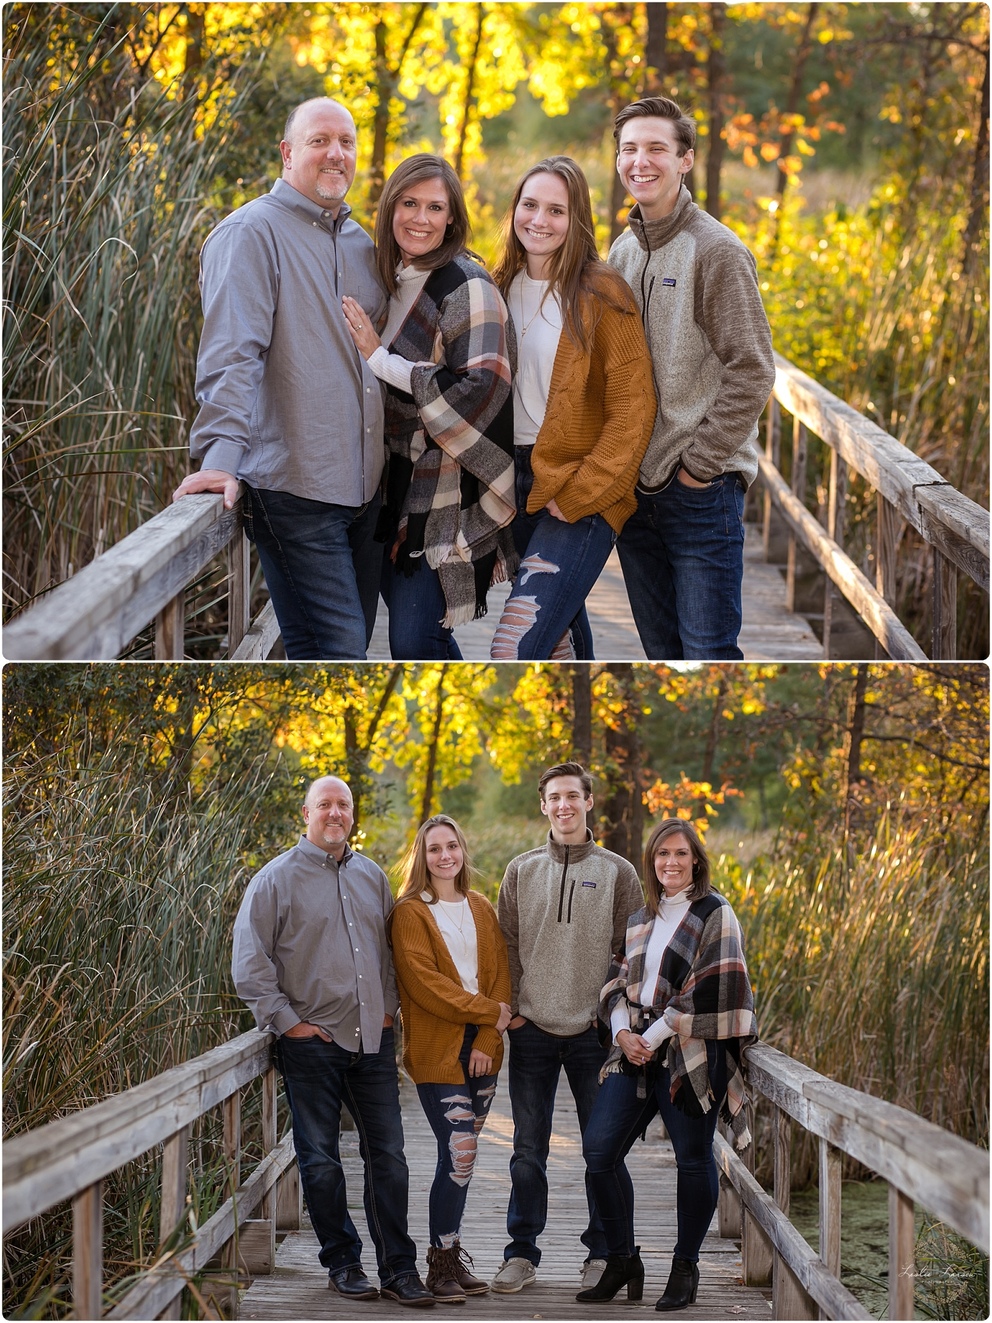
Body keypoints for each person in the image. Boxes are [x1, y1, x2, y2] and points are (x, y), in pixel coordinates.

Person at [174, 97, 387, 661]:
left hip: (366, 494)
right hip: (295, 489)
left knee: (333, 652)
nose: (335, 154)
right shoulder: (249, 233)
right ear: (289, 153)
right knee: (340, 654)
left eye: (346, 142)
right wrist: (219, 457)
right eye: (320, 141)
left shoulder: (362, 245)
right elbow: (232, 354)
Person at [231, 776, 435, 1308]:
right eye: (325, 804)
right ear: (306, 813)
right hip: (311, 1044)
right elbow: (250, 964)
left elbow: (389, 955)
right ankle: (342, 1262)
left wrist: (389, 1011)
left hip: (374, 1042)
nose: (335, 813)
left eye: (343, 804)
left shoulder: (372, 877)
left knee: (389, 1156)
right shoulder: (274, 880)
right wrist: (287, 1022)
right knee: (320, 1159)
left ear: (352, 813)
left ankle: (399, 1269)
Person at [608, 96, 776, 660]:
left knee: (707, 654)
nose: (640, 161)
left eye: (657, 148)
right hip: (635, 495)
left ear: (685, 160)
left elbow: (752, 369)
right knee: (662, 652)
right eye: (629, 148)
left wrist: (698, 470)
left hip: (700, 494)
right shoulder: (624, 250)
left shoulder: (716, 251)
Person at [578, 818, 757, 1311]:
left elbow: (713, 988)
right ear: (651, 862)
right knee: (599, 1153)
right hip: (636, 1052)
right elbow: (617, 982)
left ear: (695, 859)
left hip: (691, 1058)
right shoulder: (642, 917)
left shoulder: (716, 913)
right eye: (661, 855)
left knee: (692, 1160)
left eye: (680, 854)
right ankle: (621, 1261)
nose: (670, 863)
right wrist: (622, 1033)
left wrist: (654, 1034)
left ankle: (685, 1267)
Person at [342, 153, 517, 660]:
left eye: (435, 207)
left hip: (444, 499)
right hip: (387, 493)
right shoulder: (386, 280)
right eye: (409, 203)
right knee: (414, 635)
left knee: (417, 638)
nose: (420, 218)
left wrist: (381, 359)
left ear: (452, 218)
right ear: (390, 208)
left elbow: (482, 389)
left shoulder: (467, 284)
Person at [489, 156, 656, 661]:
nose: (539, 220)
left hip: (578, 485)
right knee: (558, 638)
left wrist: (581, 491)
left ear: (575, 218)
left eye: (556, 210)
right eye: (530, 204)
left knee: (514, 648)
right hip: (512, 483)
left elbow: (634, 405)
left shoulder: (601, 292)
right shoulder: (493, 286)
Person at [492, 762, 644, 1295]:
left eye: (572, 797)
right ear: (543, 805)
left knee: (600, 1150)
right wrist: (510, 1007)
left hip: (593, 1034)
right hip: (531, 1027)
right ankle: (521, 1252)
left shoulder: (618, 872)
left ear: (588, 802)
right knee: (527, 1149)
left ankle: (602, 1253)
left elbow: (632, 955)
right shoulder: (521, 870)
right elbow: (505, 944)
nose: (563, 805)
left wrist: (613, 1017)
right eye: (554, 797)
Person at [389, 815, 513, 1302]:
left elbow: (500, 974)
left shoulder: (481, 907)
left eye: (452, 846)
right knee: (460, 1152)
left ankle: (449, 1252)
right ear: (421, 857)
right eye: (434, 848)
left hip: (480, 1049)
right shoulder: (410, 913)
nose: (445, 856)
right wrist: (492, 1013)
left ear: (463, 850)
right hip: (435, 1049)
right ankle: (437, 1267)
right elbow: (426, 986)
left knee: (463, 1156)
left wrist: (488, 1037)